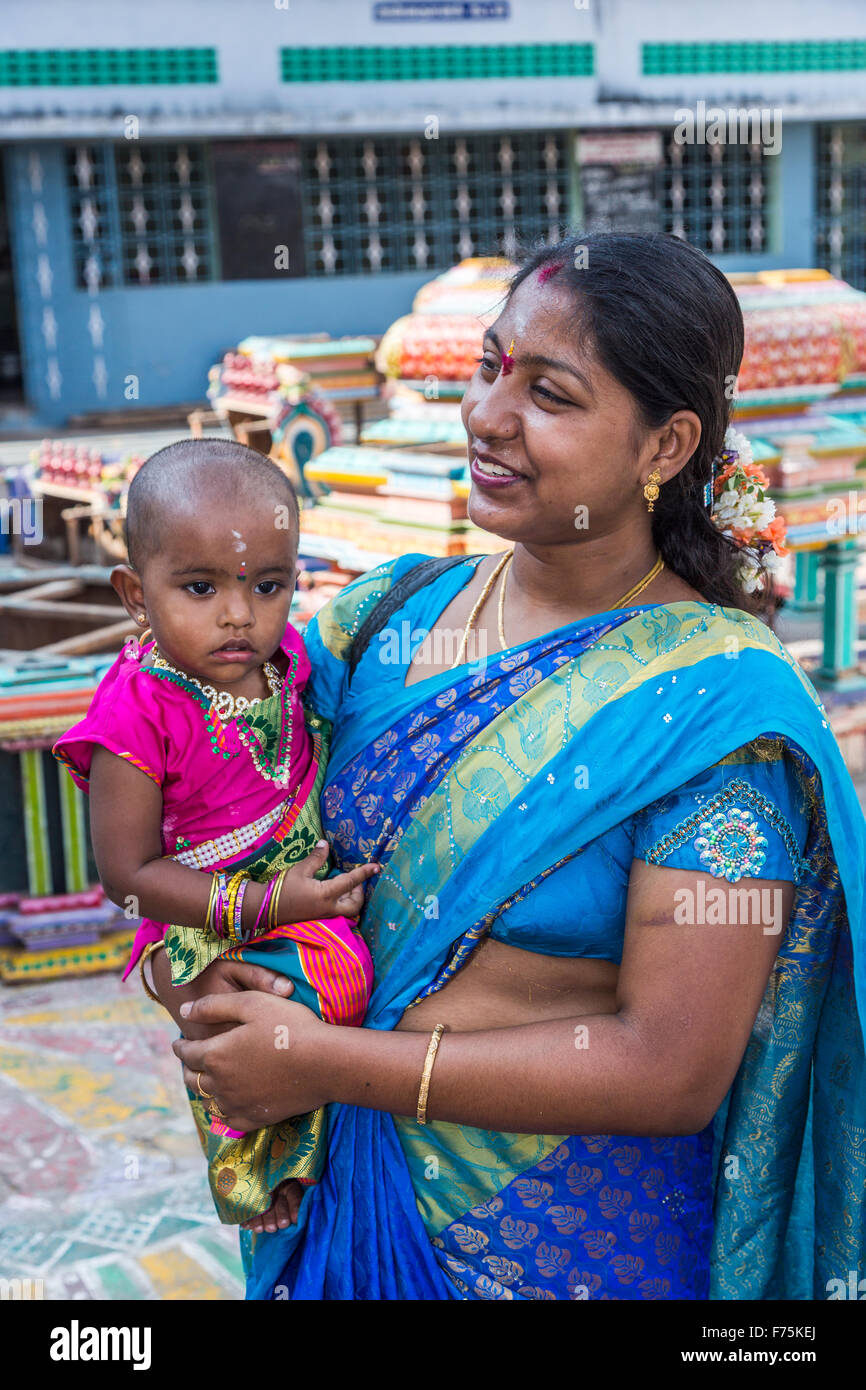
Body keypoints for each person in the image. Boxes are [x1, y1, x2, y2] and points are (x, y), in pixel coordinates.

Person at [164, 233, 865, 1301]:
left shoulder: (716, 718)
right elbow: (214, 809)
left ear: (664, 443)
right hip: (343, 1215)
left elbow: (669, 1066)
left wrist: (319, 1062)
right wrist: (208, 976)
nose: (488, 415)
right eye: (489, 366)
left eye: (549, 392)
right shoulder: (381, 622)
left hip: (561, 1248)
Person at [53, 439, 379, 1231]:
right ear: (136, 593)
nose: (239, 614)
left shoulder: (290, 663)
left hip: (290, 895)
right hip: (201, 920)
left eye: (267, 586)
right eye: (199, 587)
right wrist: (265, 904)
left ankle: (312, 1159)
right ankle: (253, 1173)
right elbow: (127, 877)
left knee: (334, 1005)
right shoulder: (137, 713)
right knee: (245, 1033)